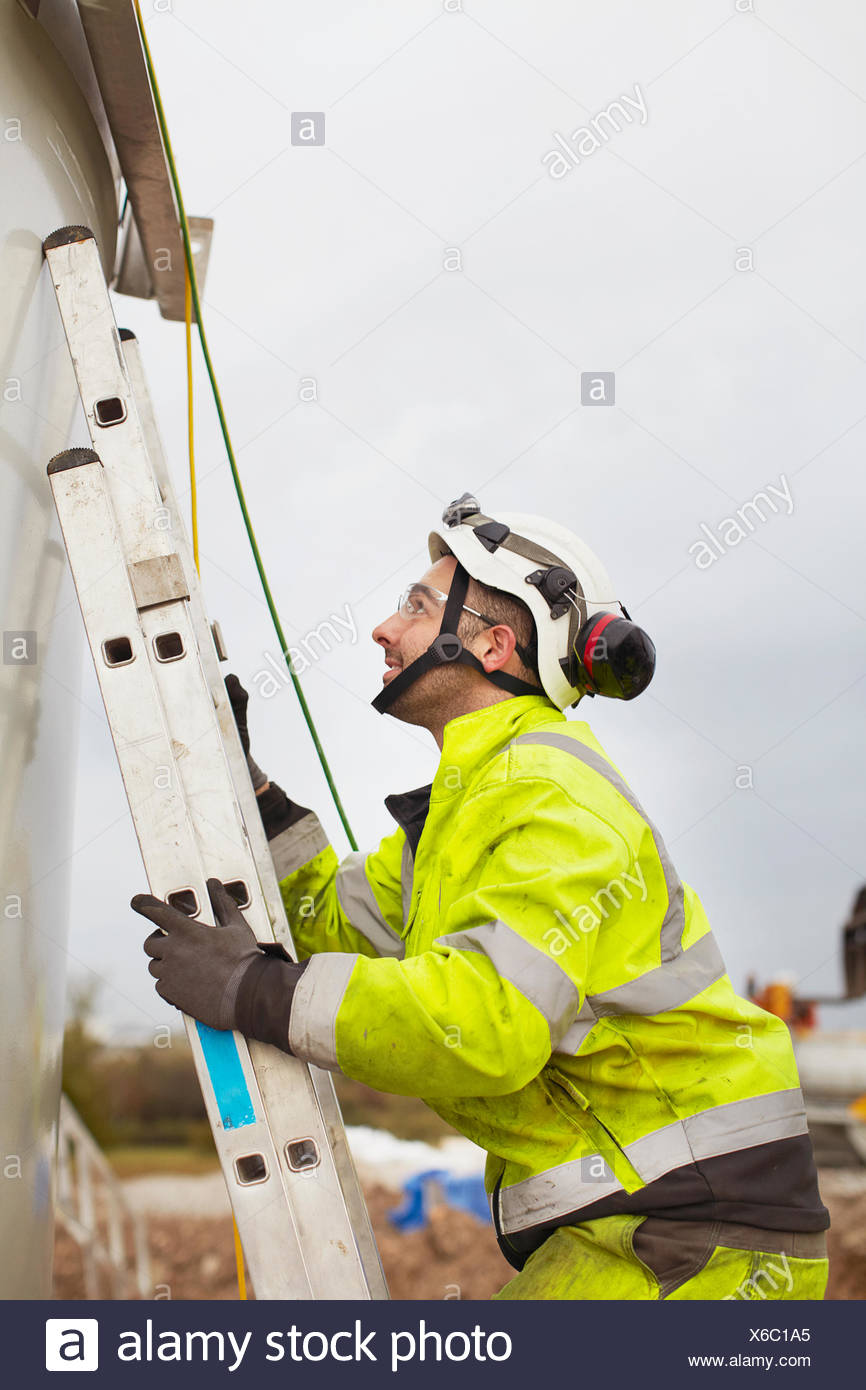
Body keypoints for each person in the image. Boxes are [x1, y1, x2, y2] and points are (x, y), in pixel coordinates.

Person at [133, 493, 829, 1300]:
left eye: (416, 608)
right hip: (650, 1228)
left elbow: (487, 1019)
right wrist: (253, 793)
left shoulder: (552, 794)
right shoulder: (476, 804)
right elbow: (329, 922)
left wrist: (251, 989)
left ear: (495, 645)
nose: (383, 630)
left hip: (692, 1243)